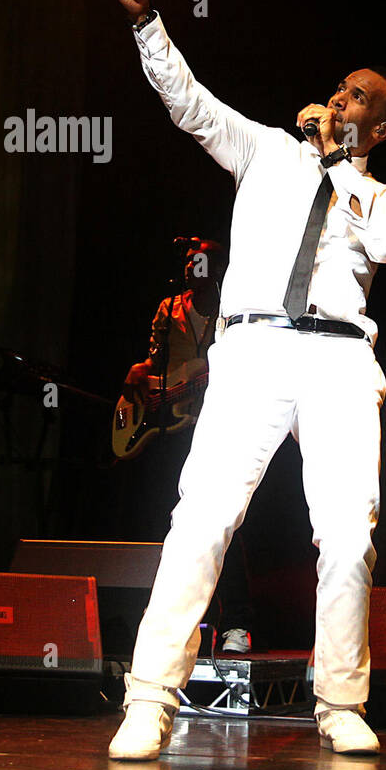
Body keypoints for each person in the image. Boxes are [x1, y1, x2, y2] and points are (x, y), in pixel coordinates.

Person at [99, 0, 386, 760]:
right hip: (252, 352)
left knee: (348, 533)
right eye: (338, 89)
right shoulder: (263, 150)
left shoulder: (384, 197)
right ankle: (149, 696)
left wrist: (340, 163)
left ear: (377, 127)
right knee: (202, 517)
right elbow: (187, 100)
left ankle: (342, 700)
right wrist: (146, 21)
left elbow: (385, 245)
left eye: (358, 99)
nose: (338, 98)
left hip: (341, 360)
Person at [119, 238, 254, 653]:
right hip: (173, 430)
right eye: (191, 262)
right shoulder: (169, 307)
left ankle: (235, 623)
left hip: (217, 425)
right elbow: (153, 361)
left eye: (204, 261)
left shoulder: (233, 306)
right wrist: (142, 384)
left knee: (225, 525)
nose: (196, 268)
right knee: (171, 523)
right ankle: (166, 625)